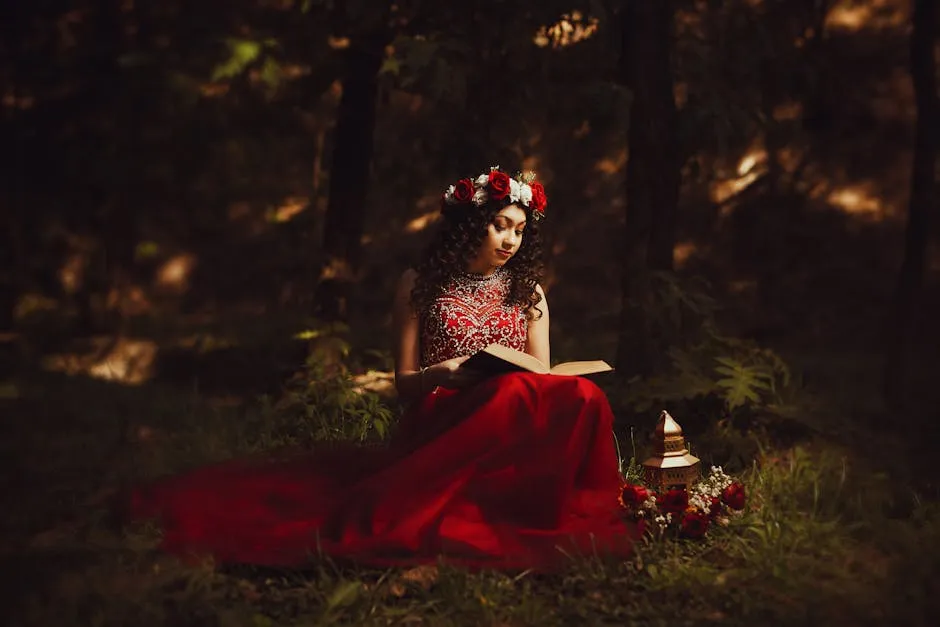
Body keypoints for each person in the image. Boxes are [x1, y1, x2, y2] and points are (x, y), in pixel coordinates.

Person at [127, 167, 638, 571]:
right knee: (508, 395)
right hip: (443, 417)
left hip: (513, 416)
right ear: (468, 225)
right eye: (499, 224)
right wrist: (442, 374)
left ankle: (548, 498)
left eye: (520, 231)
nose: (510, 240)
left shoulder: (530, 293)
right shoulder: (420, 285)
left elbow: (541, 377)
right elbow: (405, 386)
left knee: (582, 395)